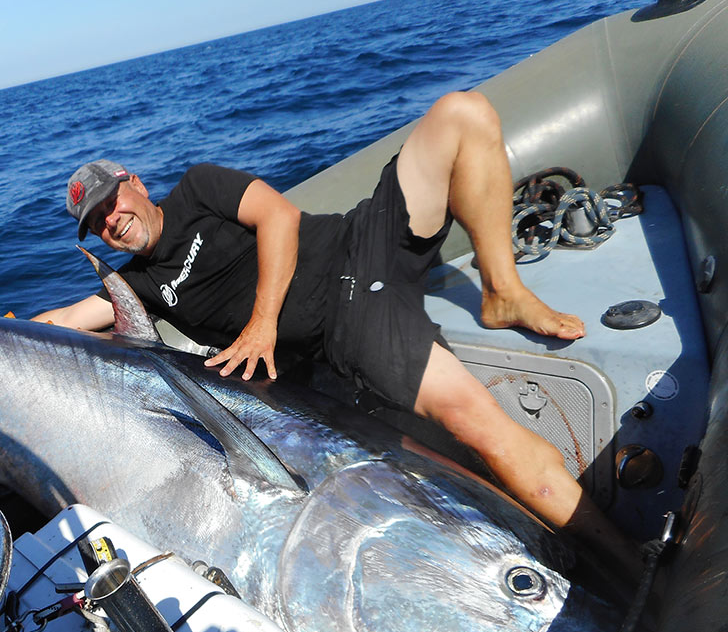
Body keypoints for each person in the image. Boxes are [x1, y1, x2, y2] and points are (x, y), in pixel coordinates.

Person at [34, 91, 640, 579]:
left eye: (112, 202)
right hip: (351, 320)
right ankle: (630, 573)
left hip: (359, 238)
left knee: (463, 113)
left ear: (134, 183)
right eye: (98, 225)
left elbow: (280, 215)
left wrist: (261, 323)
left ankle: (501, 289)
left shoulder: (197, 189)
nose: (112, 220)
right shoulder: (139, 283)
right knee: (486, 430)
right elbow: (63, 324)